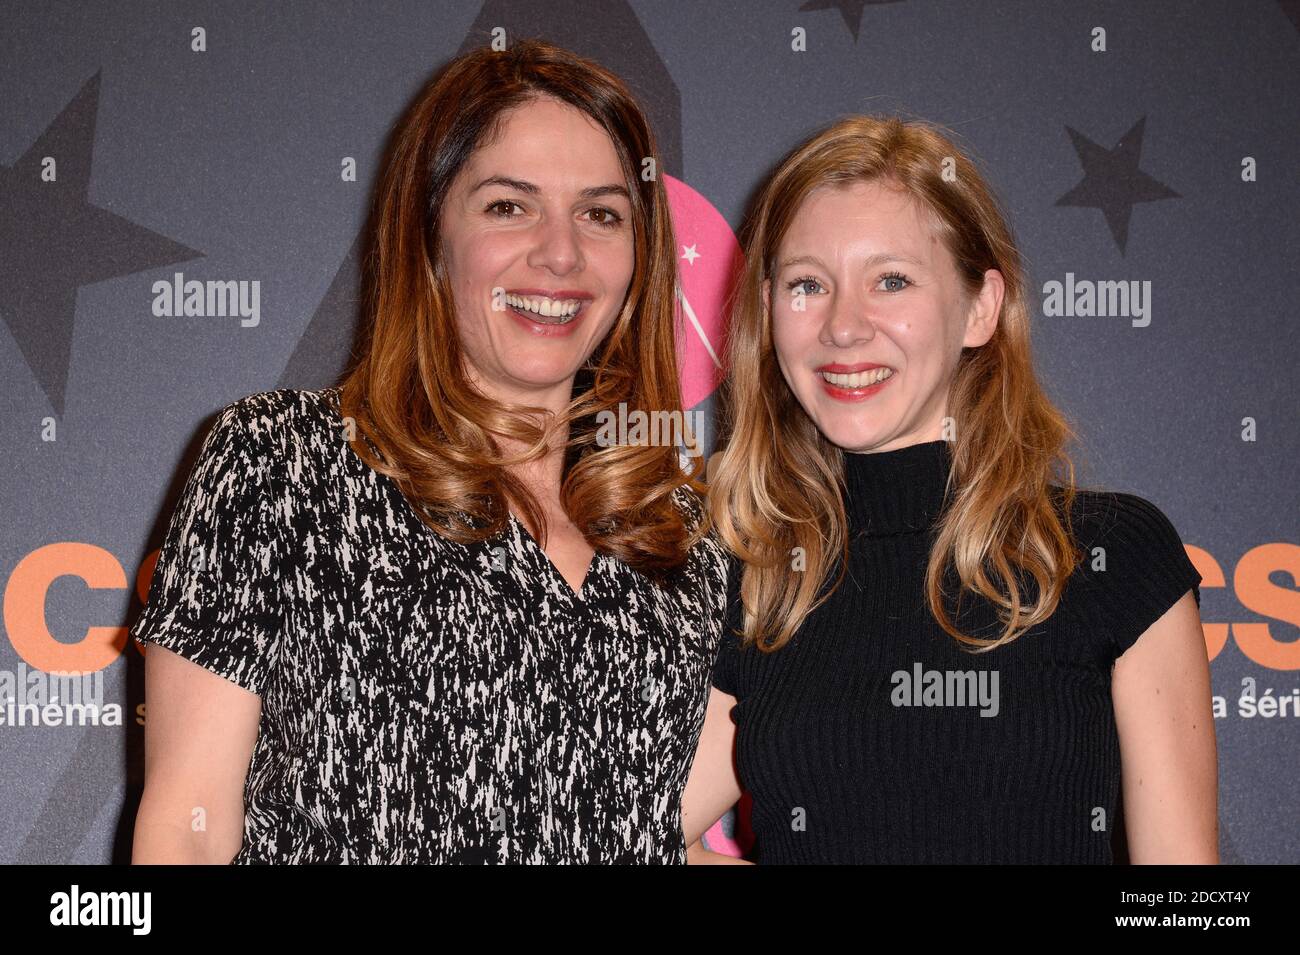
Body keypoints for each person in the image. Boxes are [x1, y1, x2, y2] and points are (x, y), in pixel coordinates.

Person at [130, 39, 729, 864]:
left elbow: (654, 839)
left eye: (602, 213)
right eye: (508, 206)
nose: (561, 253)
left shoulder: (685, 531)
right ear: (430, 236)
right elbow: (188, 826)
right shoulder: (282, 462)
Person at [682, 115, 1217, 864]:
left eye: (891, 280)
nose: (843, 326)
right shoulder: (756, 580)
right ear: (769, 313)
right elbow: (616, 832)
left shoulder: (1111, 555)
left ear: (980, 307)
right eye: (808, 285)